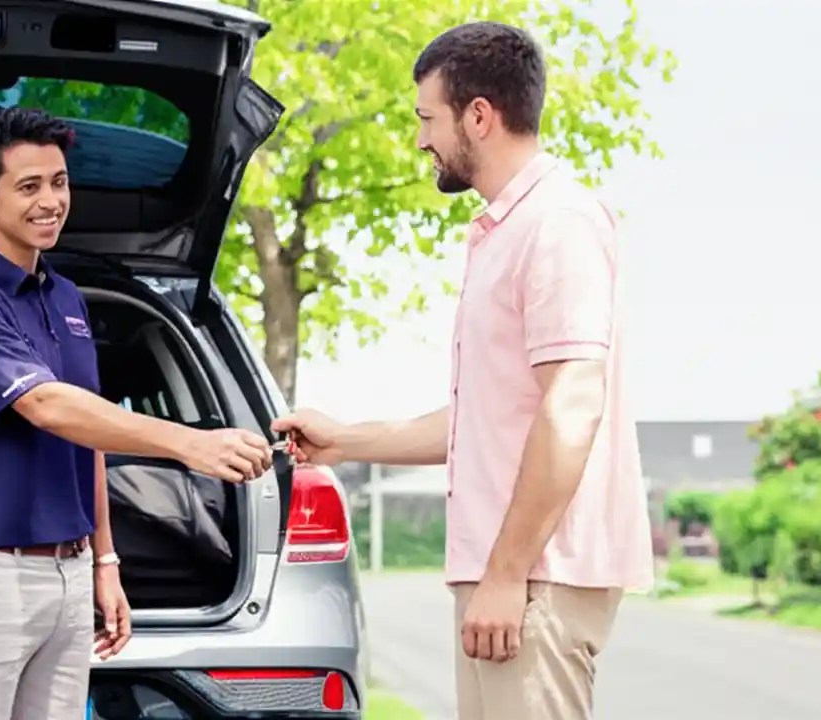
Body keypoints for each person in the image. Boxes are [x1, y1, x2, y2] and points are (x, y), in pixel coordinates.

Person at [273, 21, 653, 720]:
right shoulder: (506, 232)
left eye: (428, 118)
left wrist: (509, 574)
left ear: (479, 115)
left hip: (537, 576)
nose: (422, 140)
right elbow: (483, 421)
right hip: (508, 577)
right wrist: (345, 440)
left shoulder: (557, 222)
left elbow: (572, 404)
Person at [0, 106, 273, 720]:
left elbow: (89, 431)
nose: (50, 201)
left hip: (71, 575)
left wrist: (104, 562)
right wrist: (189, 443)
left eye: (59, 182)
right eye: (28, 186)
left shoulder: (68, 298)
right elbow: (46, 405)